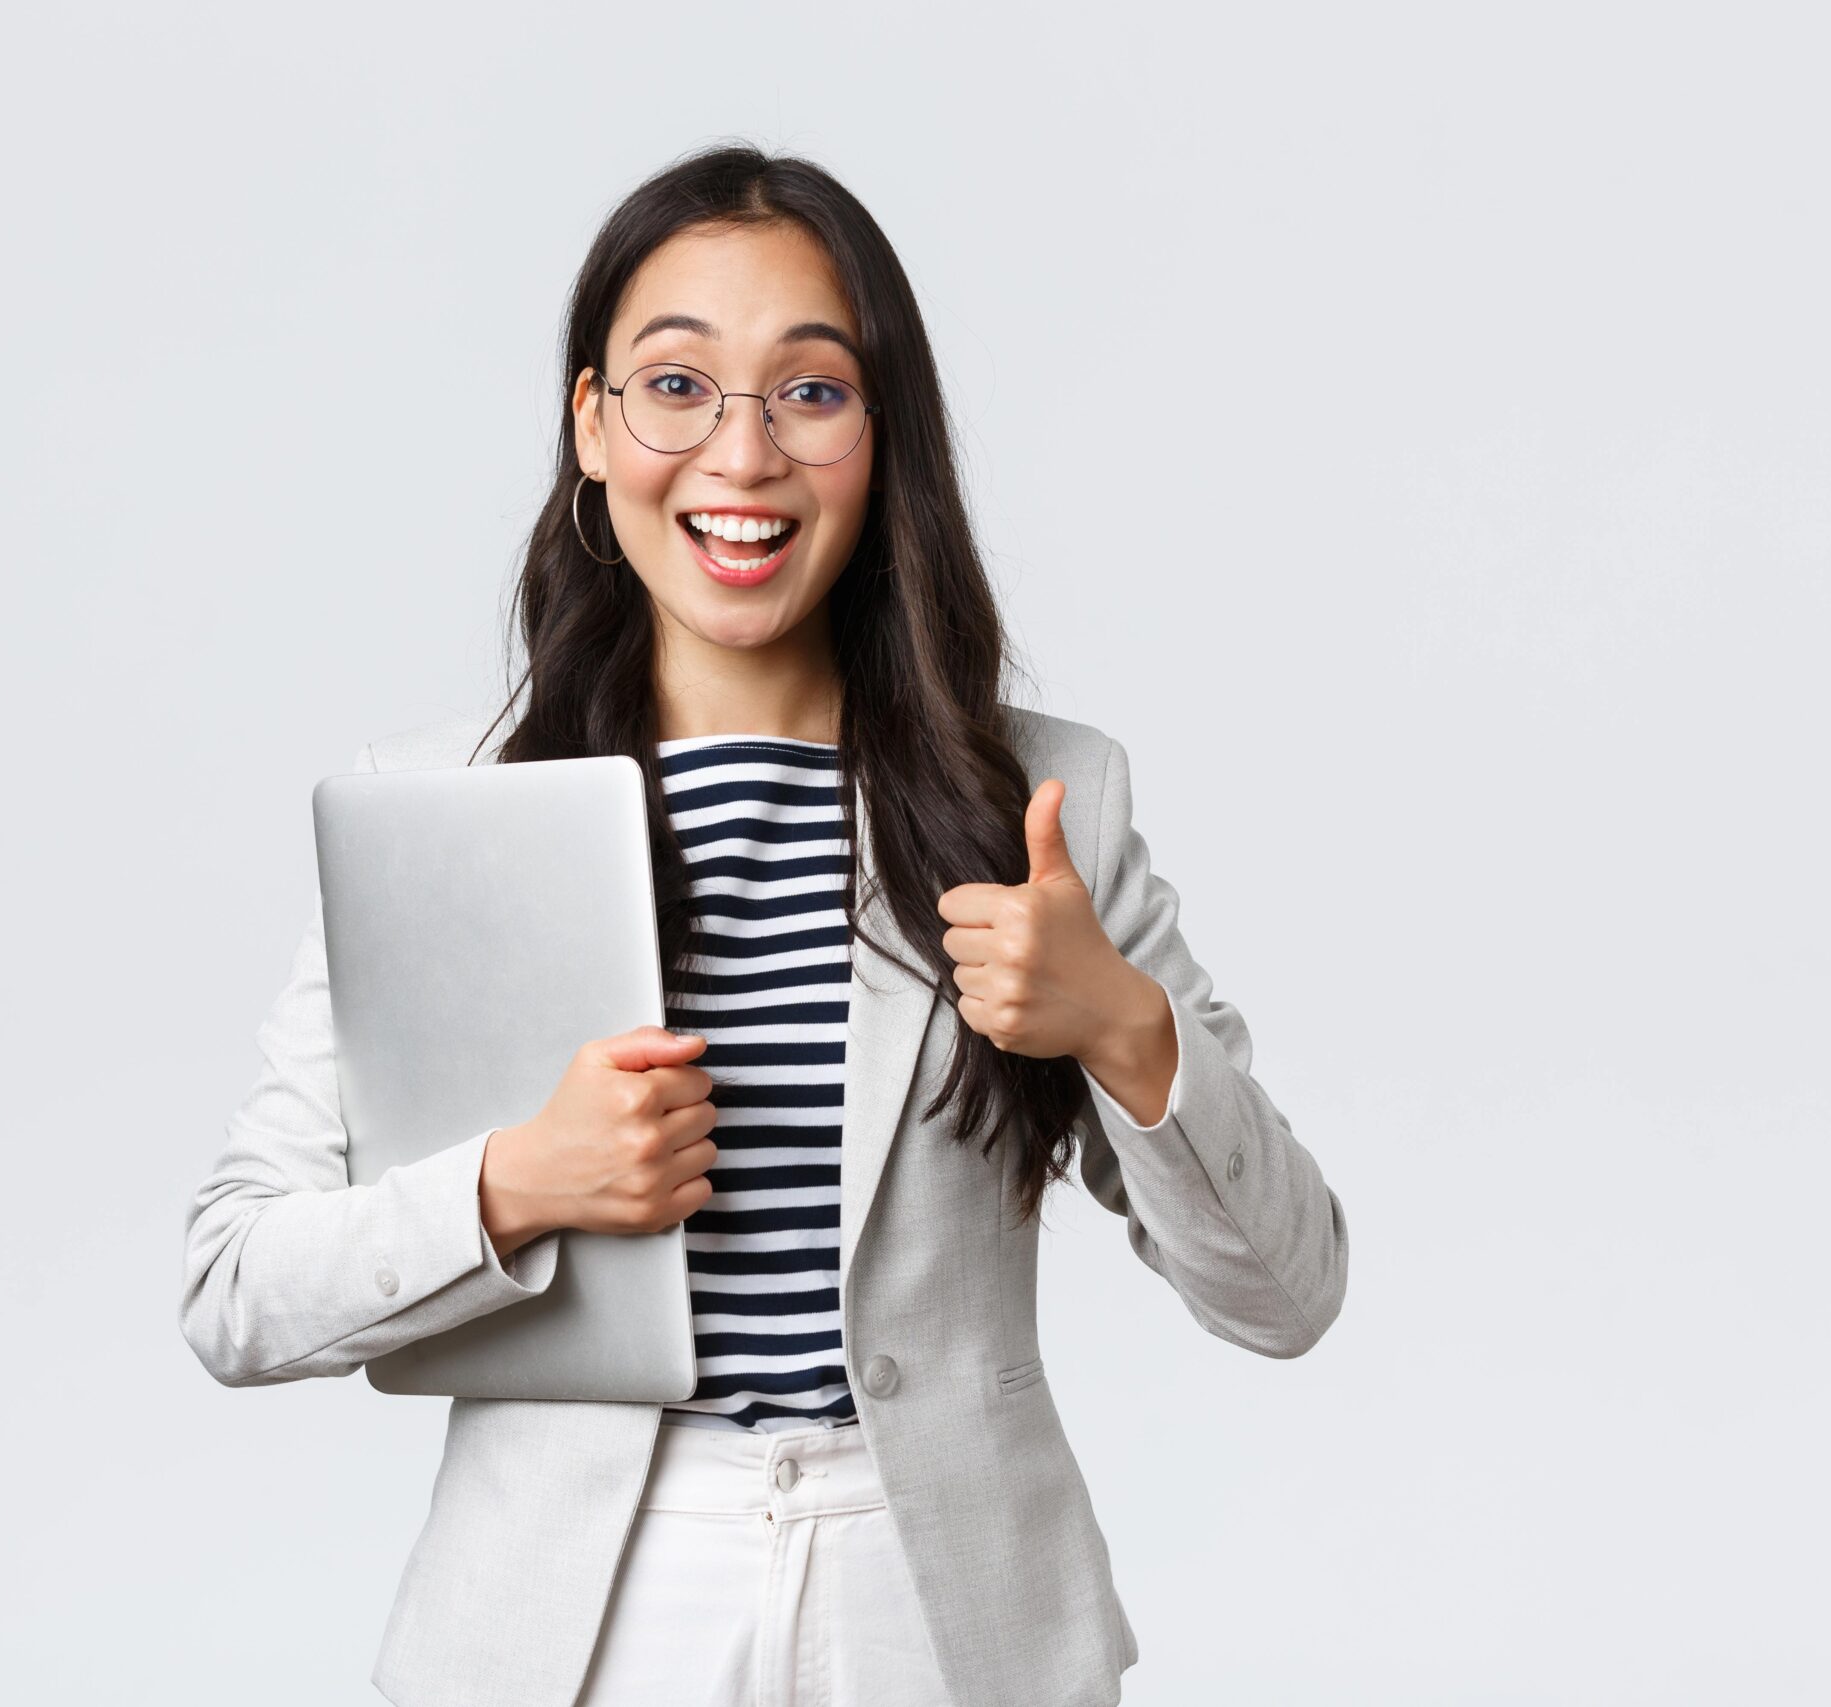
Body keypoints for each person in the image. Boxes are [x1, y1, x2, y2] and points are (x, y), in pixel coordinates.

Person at [179, 141, 1350, 1707]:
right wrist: (519, 1184)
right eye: (677, 388)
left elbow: (1286, 1293)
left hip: (937, 1604)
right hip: (578, 1620)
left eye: (812, 392)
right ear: (593, 427)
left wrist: (1123, 1031)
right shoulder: (440, 811)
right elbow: (236, 1289)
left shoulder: (1043, 805)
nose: (741, 457)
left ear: (885, 441)